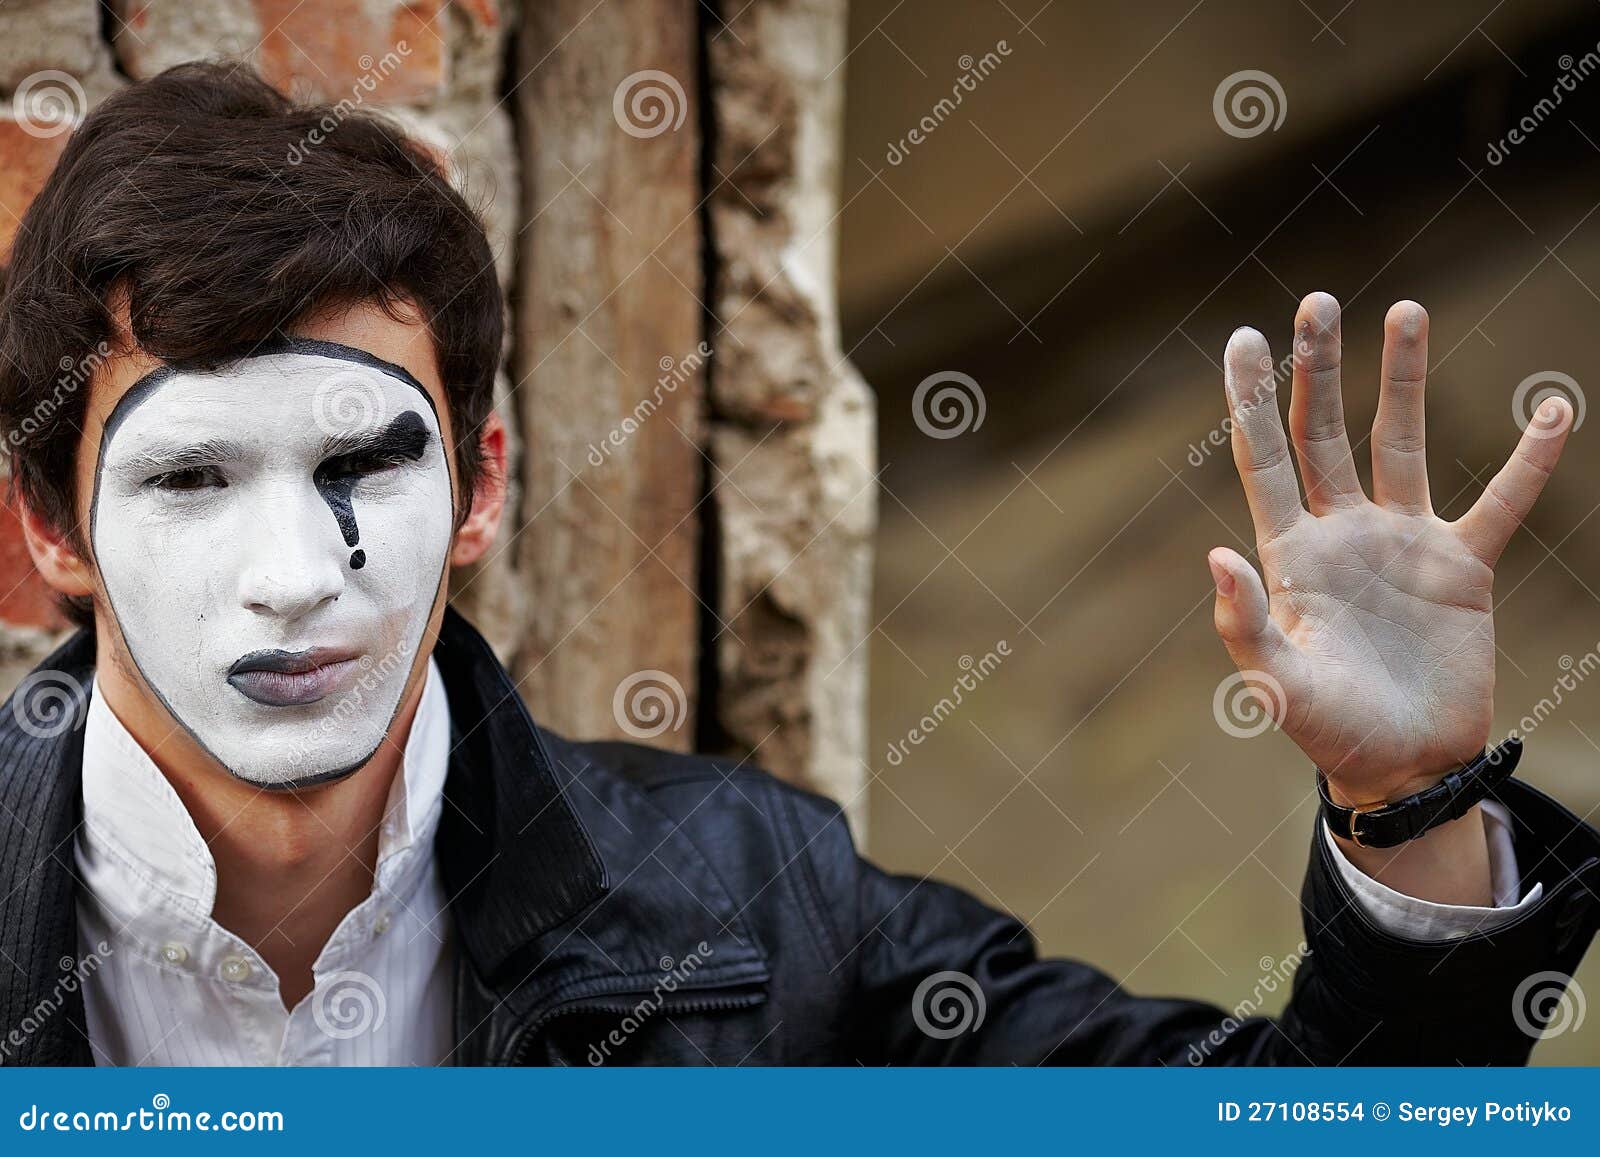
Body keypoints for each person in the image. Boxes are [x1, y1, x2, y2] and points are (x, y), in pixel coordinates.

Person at [0, 63, 1592, 1068]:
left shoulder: (750, 908)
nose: (292, 575)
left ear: (482, 487)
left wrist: (1415, 809)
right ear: (52, 528)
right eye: (192, 477)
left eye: (364, 462)